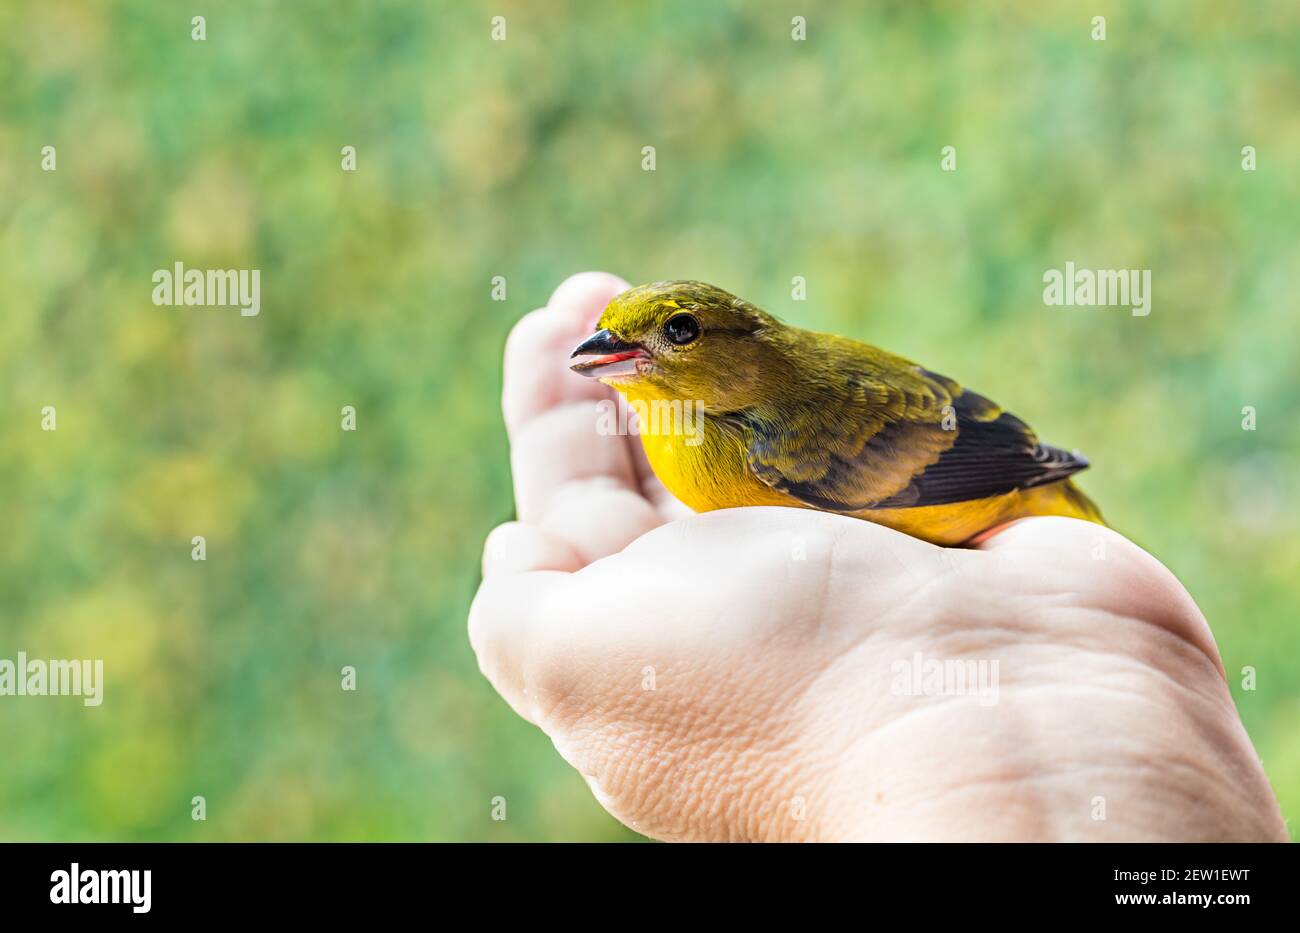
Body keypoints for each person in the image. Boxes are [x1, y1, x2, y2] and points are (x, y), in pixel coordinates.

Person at [468, 272, 1287, 842]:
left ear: (739, 345)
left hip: (986, 484)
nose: (621, 349)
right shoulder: (675, 434)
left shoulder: (778, 437)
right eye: (622, 334)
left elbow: (944, 450)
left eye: (675, 332)